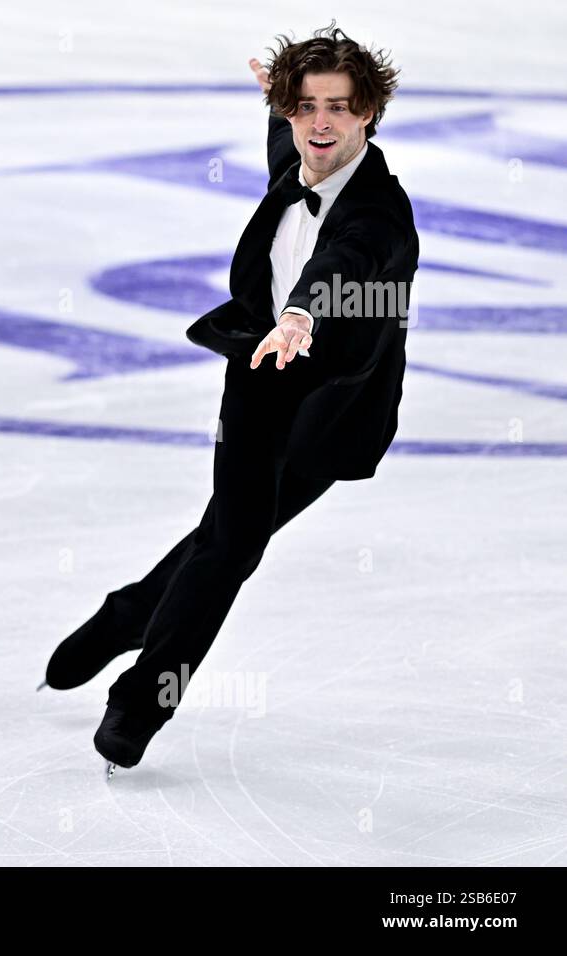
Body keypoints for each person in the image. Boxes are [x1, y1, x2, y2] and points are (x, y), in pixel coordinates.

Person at [43, 24, 415, 774]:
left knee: (225, 536)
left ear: (369, 113)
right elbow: (289, 143)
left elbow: (346, 263)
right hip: (261, 372)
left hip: (336, 400)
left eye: (339, 108)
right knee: (235, 543)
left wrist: (302, 314)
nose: (319, 123)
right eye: (304, 106)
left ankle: (132, 613)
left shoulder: (379, 212)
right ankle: (141, 703)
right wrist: (273, 101)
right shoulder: (298, 154)